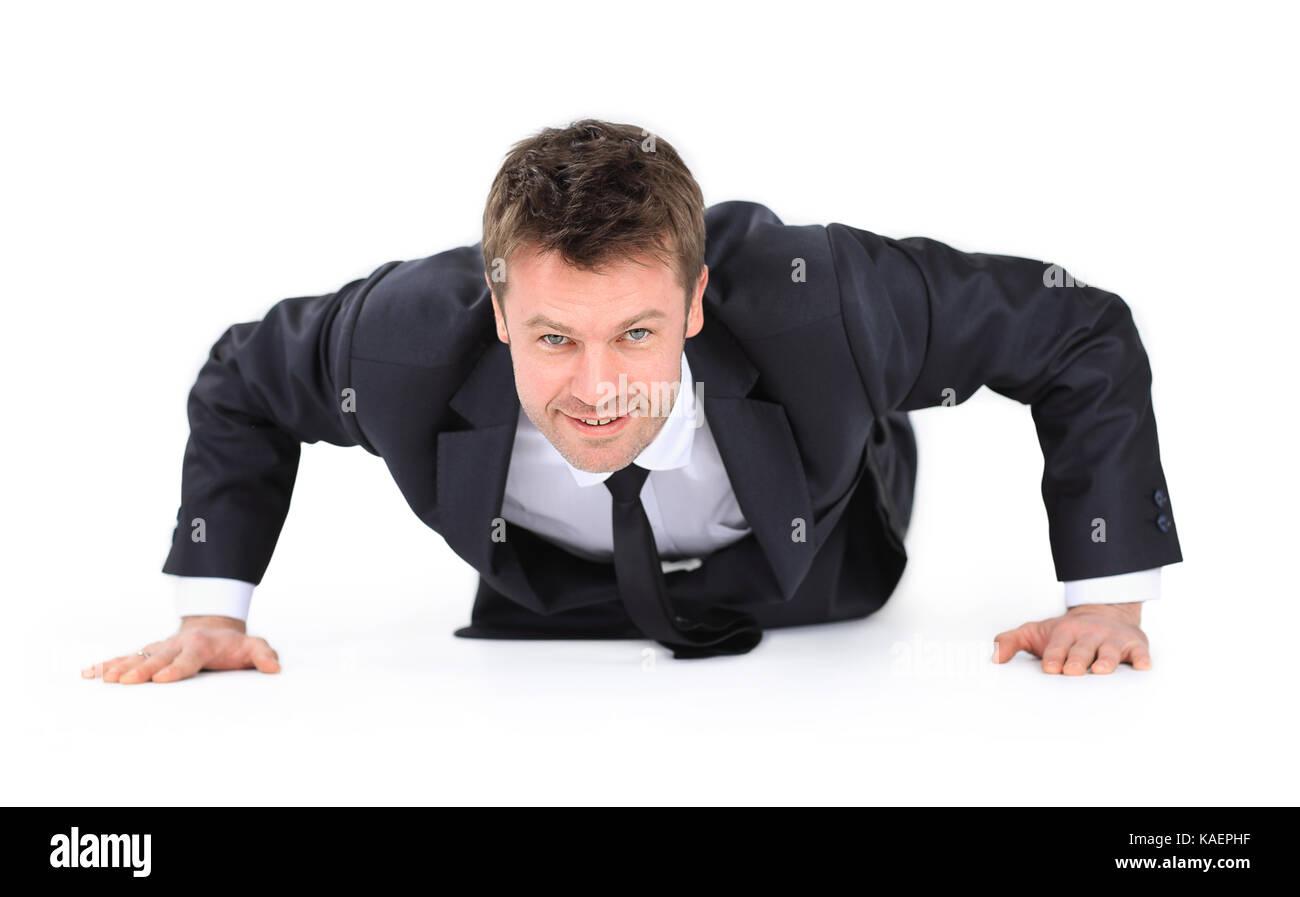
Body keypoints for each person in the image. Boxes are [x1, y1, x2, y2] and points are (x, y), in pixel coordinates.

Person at [82, 119, 1181, 682]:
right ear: (500, 309)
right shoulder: (401, 342)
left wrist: (1105, 601)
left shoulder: (828, 303)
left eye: (637, 333)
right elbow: (241, 378)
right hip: (557, 608)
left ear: (698, 301)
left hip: (822, 545)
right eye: (555, 337)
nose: (599, 388)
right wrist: (212, 615)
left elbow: (1076, 325)